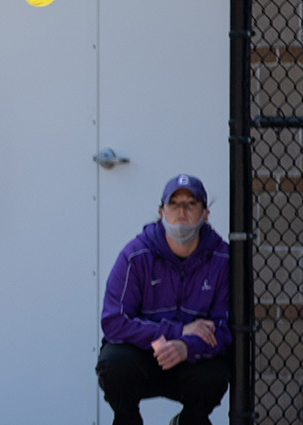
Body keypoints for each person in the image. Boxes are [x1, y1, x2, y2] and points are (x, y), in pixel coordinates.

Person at [96, 174, 231, 425]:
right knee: (114, 363)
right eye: (174, 204)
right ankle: (127, 419)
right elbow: (114, 321)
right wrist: (175, 332)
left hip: (192, 357)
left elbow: (225, 330)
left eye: (191, 204)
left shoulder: (222, 259)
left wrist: (186, 346)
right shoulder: (135, 255)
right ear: (161, 212)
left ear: (205, 214)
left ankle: (189, 420)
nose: (181, 211)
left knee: (215, 372)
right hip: (146, 353)